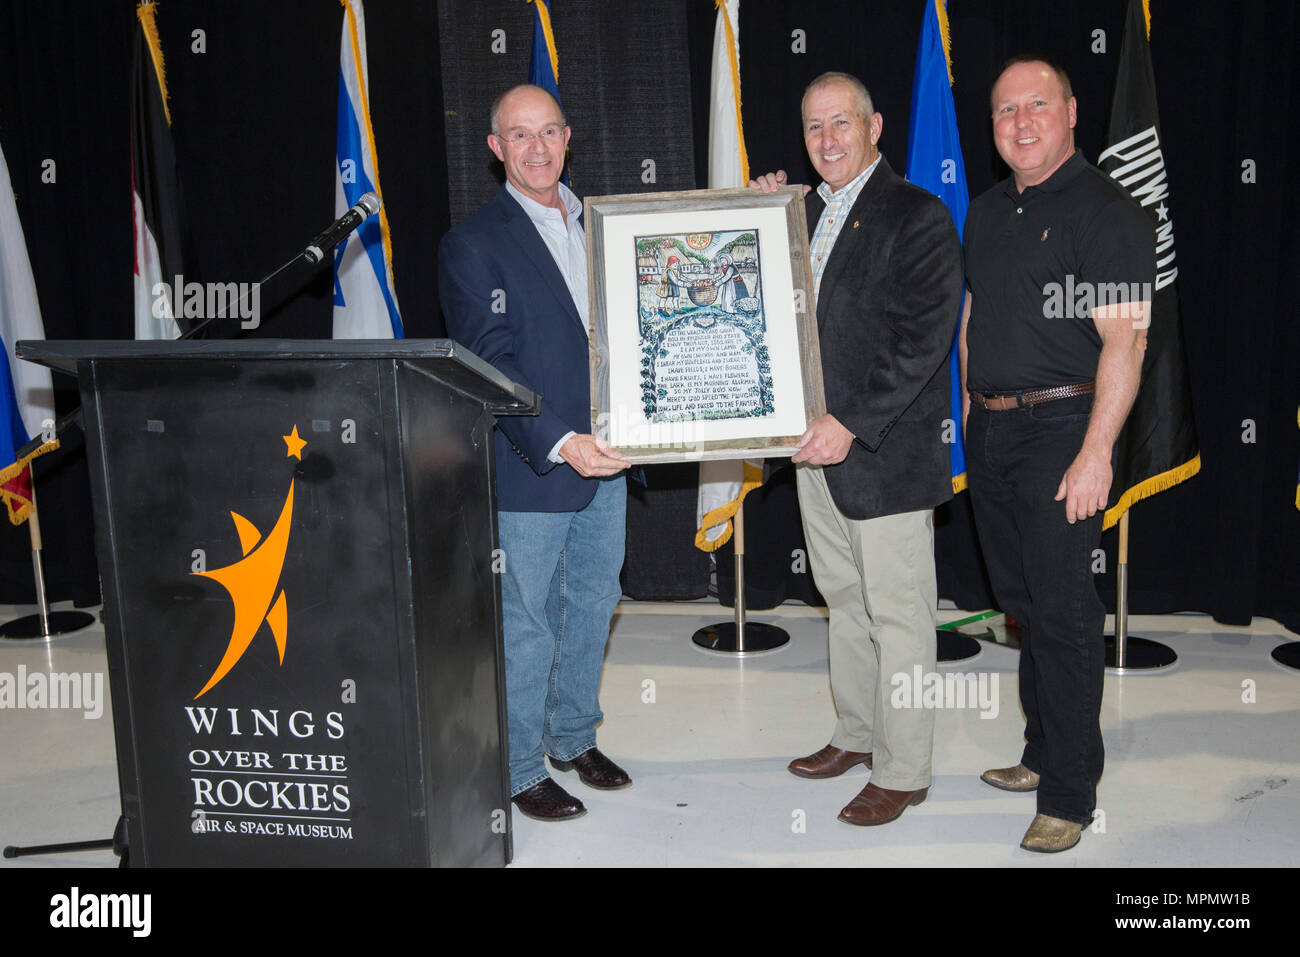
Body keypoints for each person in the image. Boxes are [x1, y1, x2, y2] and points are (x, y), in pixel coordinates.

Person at [752, 72, 963, 826]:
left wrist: (852, 421)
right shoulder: (801, 213)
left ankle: (905, 768)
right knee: (844, 604)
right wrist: (755, 215)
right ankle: (857, 732)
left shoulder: (918, 215)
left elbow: (923, 341)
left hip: (882, 455)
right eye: (814, 127)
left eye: (842, 123)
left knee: (900, 614)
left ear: (876, 126)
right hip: (815, 452)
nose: (828, 140)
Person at [960, 55, 1152, 852]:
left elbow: (1126, 338)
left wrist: (1097, 450)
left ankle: (1071, 793)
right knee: (1028, 608)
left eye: (1037, 105)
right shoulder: (986, 209)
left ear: (1071, 114)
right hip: (995, 431)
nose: (1021, 121)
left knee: (1067, 618)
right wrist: (972, 411)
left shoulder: (1109, 210)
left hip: (1064, 430)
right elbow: (974, 315)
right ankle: (1041, 754)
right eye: (1006, 110)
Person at [438, 84, 632, 822]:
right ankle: (519, 767)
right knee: (525, 620)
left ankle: (572, 735)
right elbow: (491, 364)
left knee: (593, 602)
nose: (537, 148)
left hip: (610, 458)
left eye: (549, 132)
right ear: (495, 149)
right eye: (519, 136)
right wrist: (560, 441)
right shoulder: (471, 244)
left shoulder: (609, 227)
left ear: (568, 137)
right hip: (532, 466)